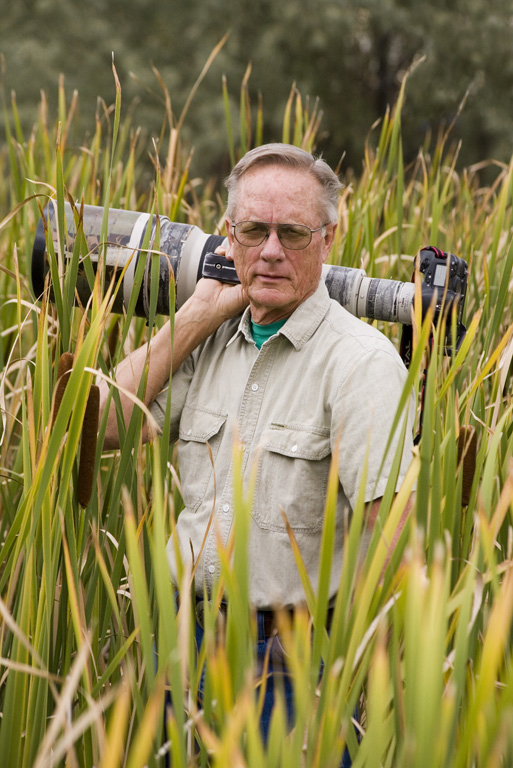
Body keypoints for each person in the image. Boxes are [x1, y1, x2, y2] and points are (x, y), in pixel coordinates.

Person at [98, 143, 415, 751]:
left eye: (292, 233)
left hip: (293, 668)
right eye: (253, 231)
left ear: (327, 240)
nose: (271, 251)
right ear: (228, 237)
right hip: (181, 648)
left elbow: (390, 529)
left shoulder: (360, 362)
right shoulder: (207, 339)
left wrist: (357, 671)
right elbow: (104, 427)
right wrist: (198, 315)